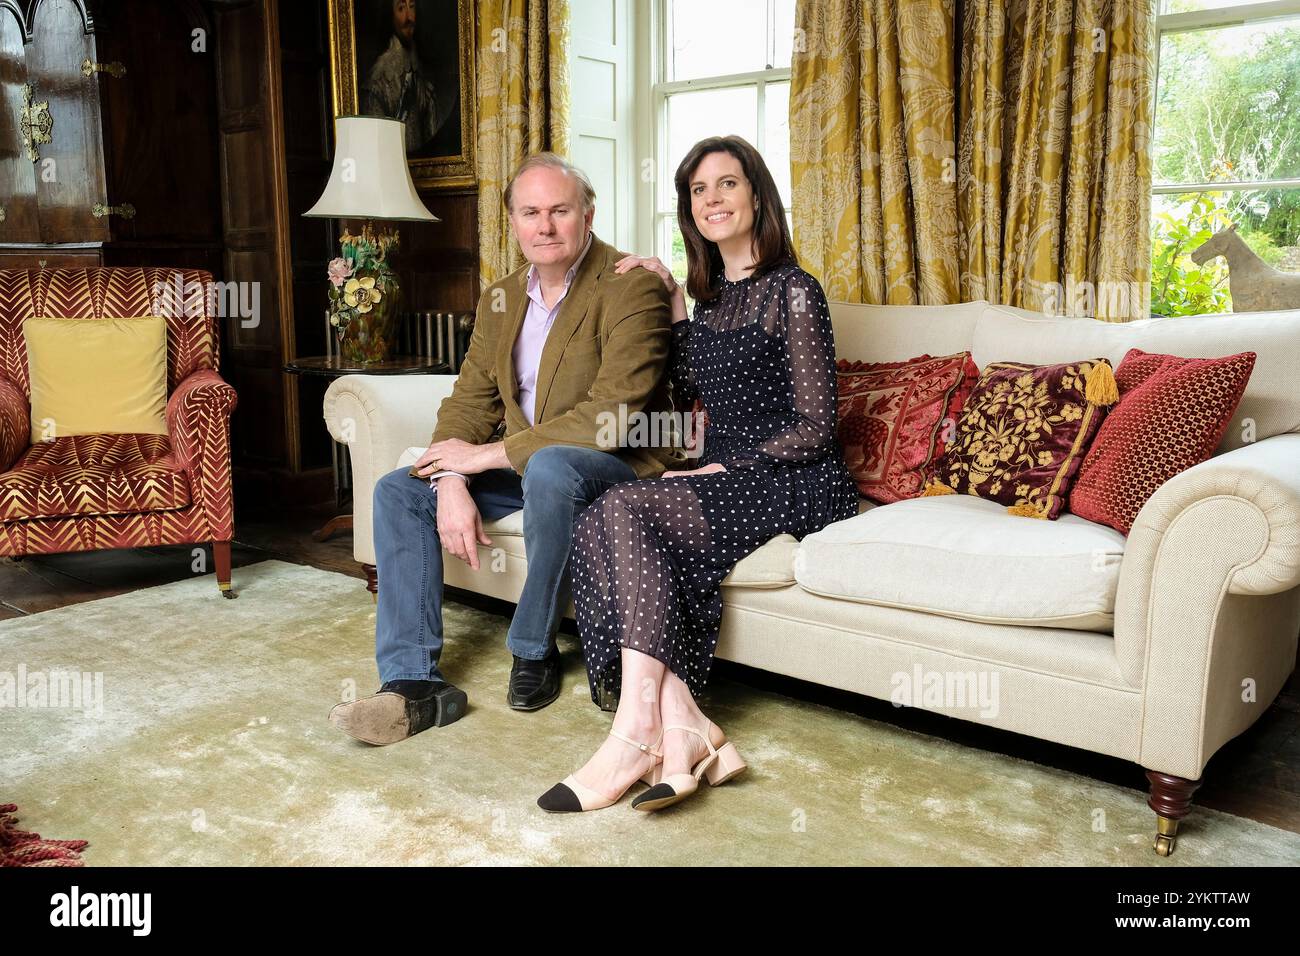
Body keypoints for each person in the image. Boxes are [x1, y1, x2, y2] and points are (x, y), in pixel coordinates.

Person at [537, 136, 860, 812]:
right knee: (605, 511)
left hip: (797, 478)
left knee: (621, 509)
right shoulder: (710, 301)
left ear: (756, 195)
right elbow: (689, 394)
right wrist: (677, 309)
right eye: (698, 190)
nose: (712, 199)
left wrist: (724, 463)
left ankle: (634, 734)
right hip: (734, 474)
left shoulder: (796, 292)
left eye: (727, 184)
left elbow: (815, 425)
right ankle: (682, 726)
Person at [329, 153, 682, 745]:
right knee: (398, 490)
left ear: (587, 214)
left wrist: (486, 458)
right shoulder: (500, 299)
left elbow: (614, 415)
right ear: (513, 222)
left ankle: (533, 646)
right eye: (531, 212)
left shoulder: (631, 285)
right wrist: (449, 480)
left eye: (559, 211)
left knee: (546, 465)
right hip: (534, 462)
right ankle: (414, 685)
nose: (544, 226)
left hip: (616, 464)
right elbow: (468, 403)